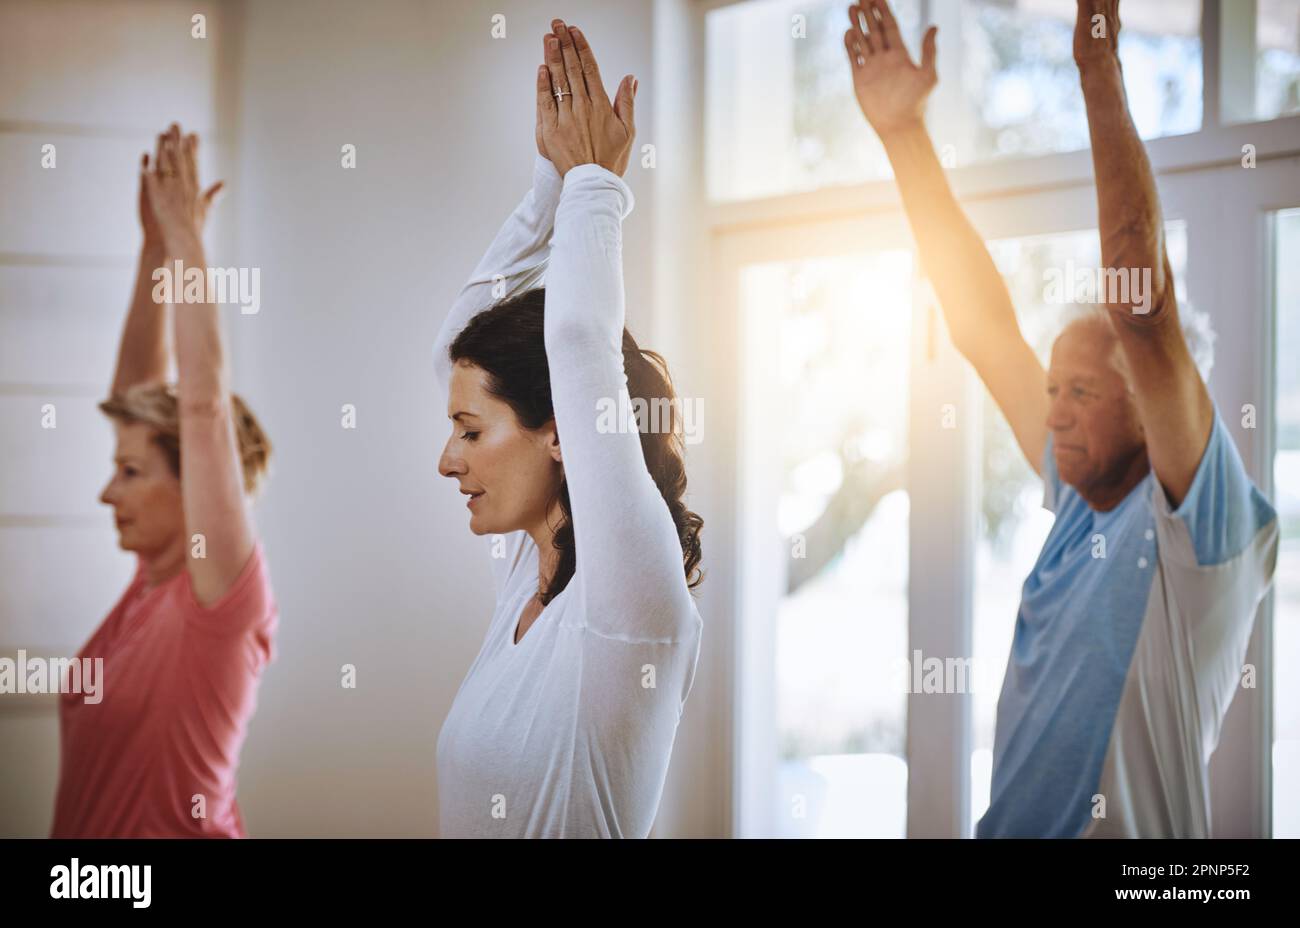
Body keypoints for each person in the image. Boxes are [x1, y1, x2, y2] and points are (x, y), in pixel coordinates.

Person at [844, 0, 1278, 836]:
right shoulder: (1078, 497)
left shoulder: (1202, 528)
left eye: (1084, 391)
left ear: (1151, 411)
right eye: (1054, 389)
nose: (1057, 411)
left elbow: (1141, 308)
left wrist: (1098, 74)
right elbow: (979, 323)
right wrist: (903, 134)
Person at [431, 19, 704, 838]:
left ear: (563, 432)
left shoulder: (628, 598)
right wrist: (552, 187)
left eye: (471, 433)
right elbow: (462, 339)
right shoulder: (531, 575)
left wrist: (595, 185)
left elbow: (580, 342)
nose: (447, 461)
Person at [50, 124, 277, 837]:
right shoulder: (150, 583)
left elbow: (202, 409)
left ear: (197, 490)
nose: (106, 493)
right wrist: (154, 250)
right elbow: (136, 397)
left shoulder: (218, 602)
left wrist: (189, 246)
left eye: (129, 474)